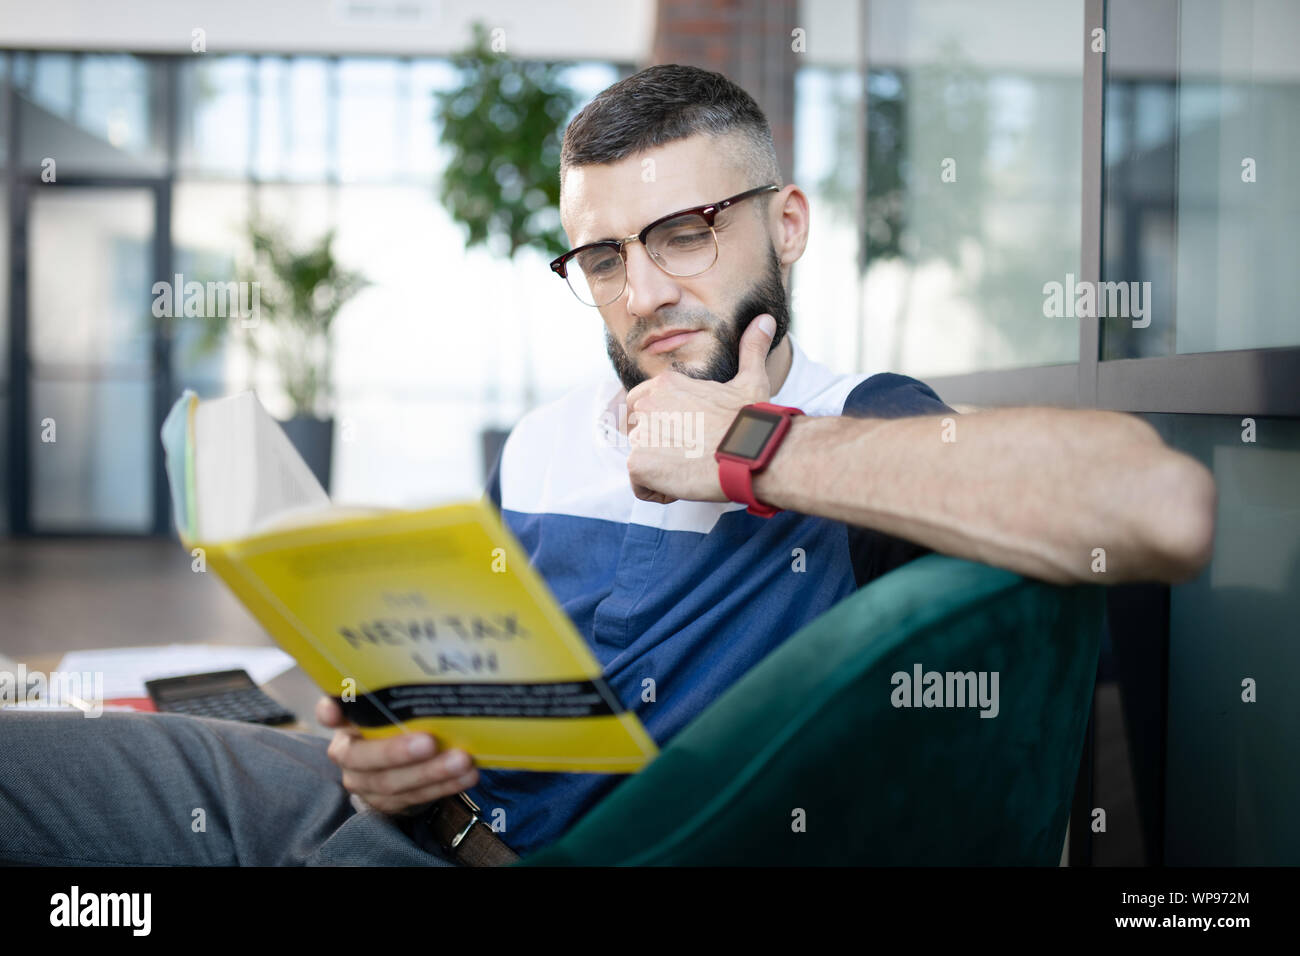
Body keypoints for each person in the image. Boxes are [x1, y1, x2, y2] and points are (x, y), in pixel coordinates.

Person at [0, 64, 1215, 867]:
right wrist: (396, 745)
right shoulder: (540, 438)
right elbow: (463, 694)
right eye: (599, 254)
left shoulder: (859, 423)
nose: (643, 292)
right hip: (387, 815)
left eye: (686, 231)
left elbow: (1154, 500)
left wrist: (744, 448)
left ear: (784, 224)